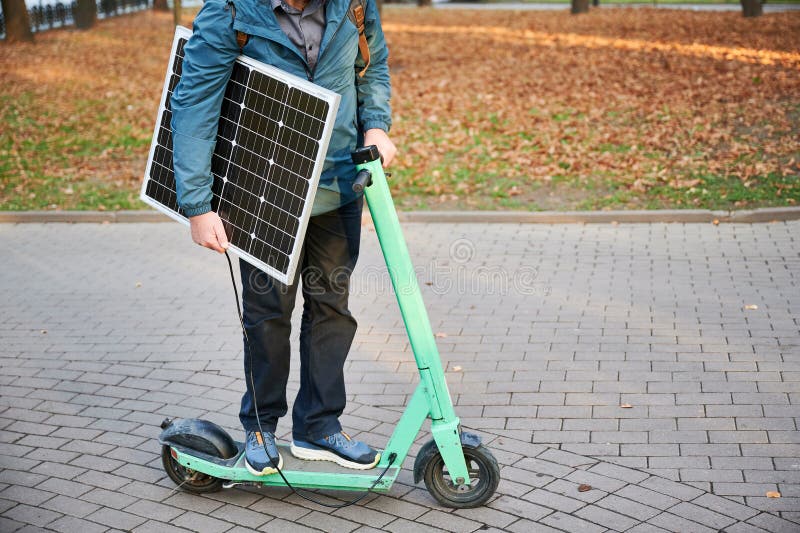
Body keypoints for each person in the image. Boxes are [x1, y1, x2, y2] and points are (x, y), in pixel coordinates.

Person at [170, 0, 396, 474]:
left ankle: (319, 426)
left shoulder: (354, 5)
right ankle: (259, 424)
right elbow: (195, 101)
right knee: (268, 312)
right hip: (264, 193)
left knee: (332, 308)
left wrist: (376, 125)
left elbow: (371, 69)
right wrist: (197, 204)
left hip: (338, 186)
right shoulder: (230, 12)